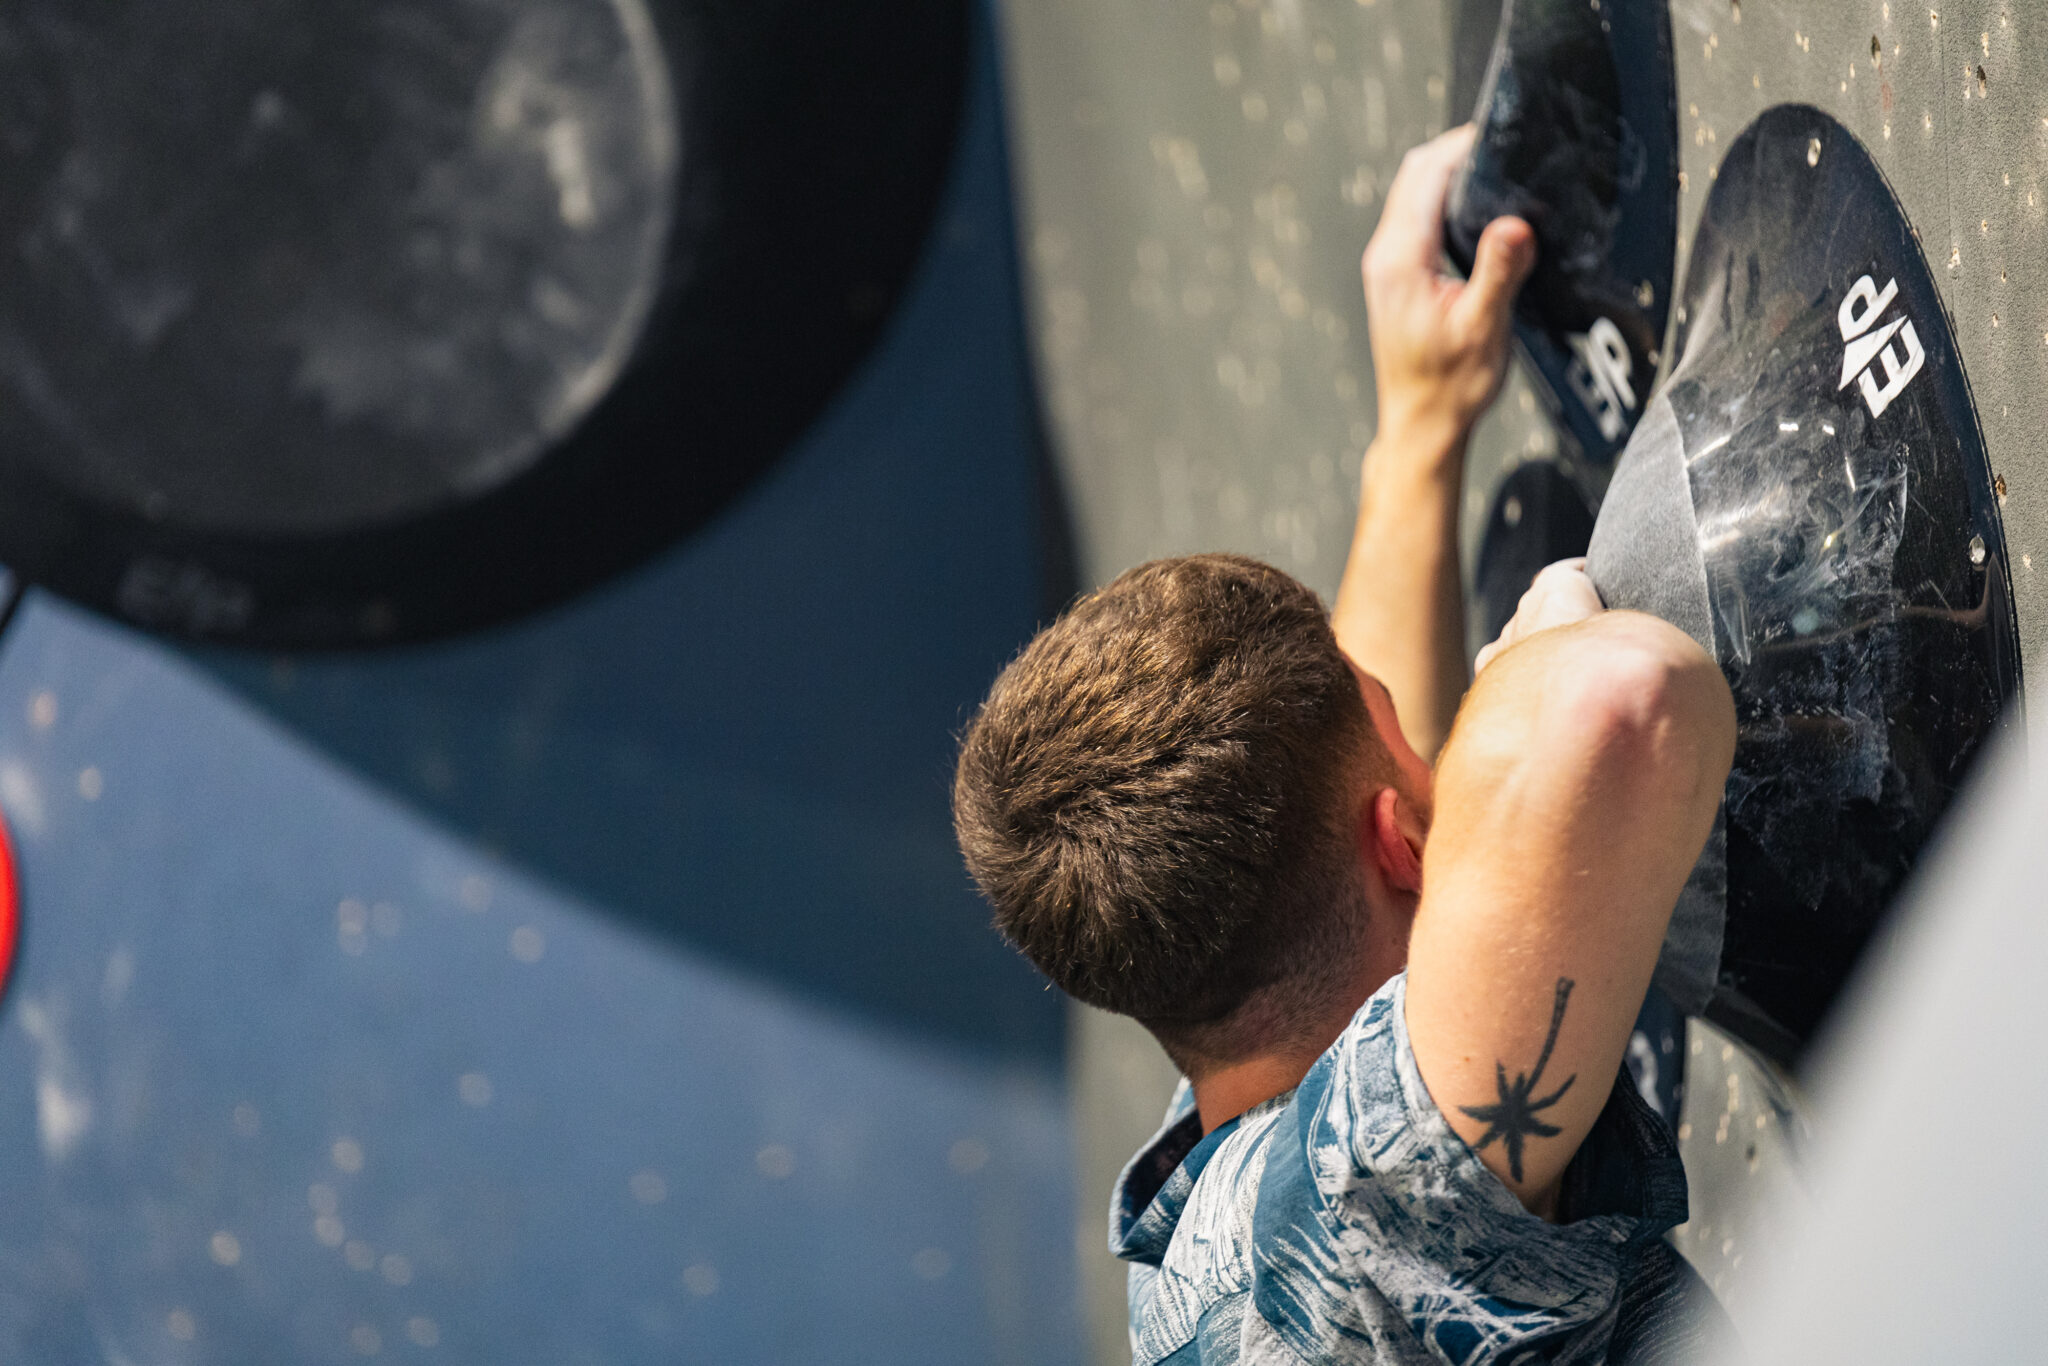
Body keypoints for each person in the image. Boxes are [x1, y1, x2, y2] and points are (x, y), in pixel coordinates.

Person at [951, 124, 1737, 1364]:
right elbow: (1614, 709)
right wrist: (1523, 672)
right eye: (1415, 750)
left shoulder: (1237, 1131)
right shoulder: (1358, 1223)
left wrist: (1419, 430)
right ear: (1402, 836)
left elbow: (1349, 784)